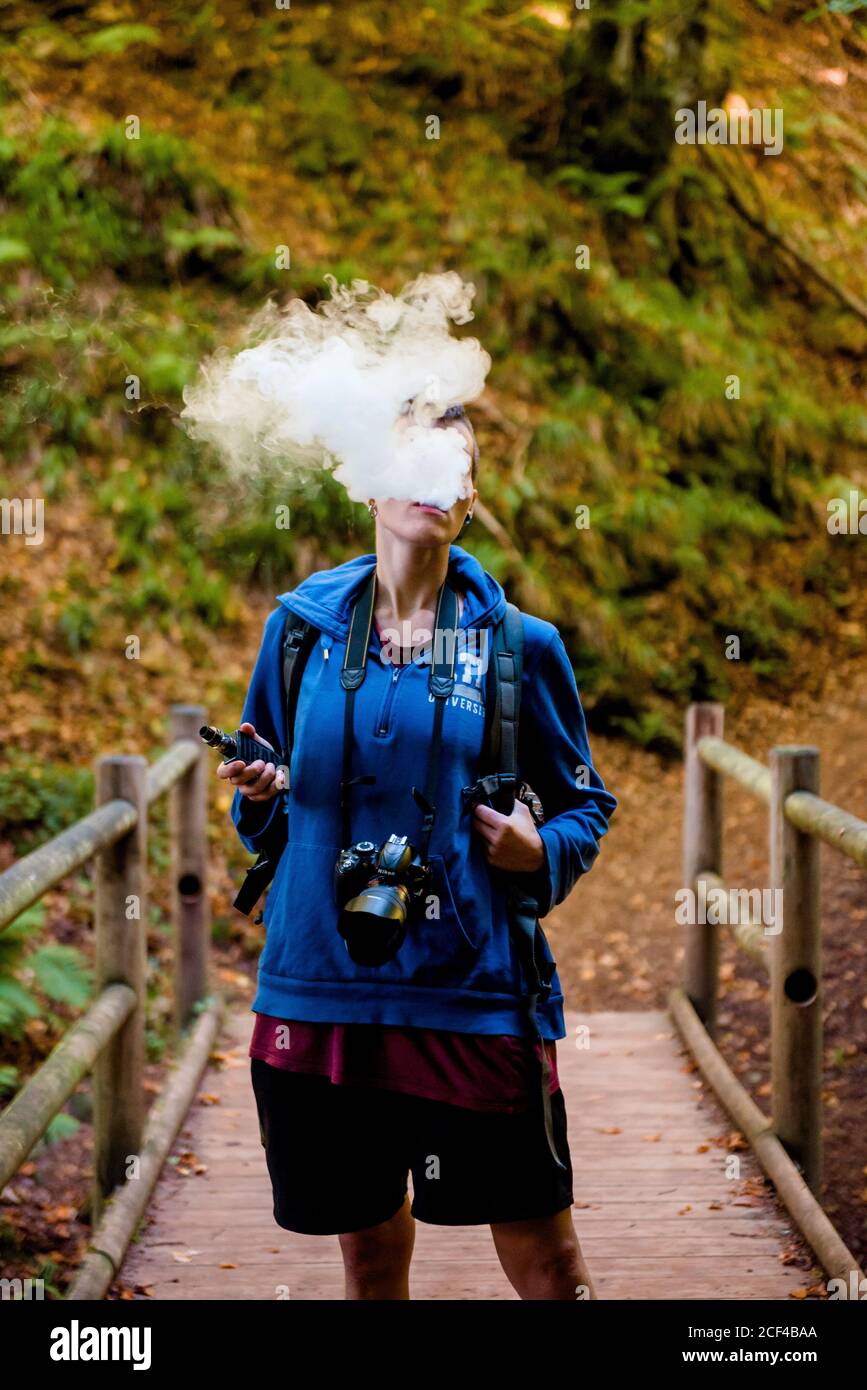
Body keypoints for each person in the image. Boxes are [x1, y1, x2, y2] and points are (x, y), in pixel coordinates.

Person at [218, 406, 617, 1300]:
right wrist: (262, 793)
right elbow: (268, 820)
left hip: (472, 996)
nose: (430, 481)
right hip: (320, 988)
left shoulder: (520, 645)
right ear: (365, 478)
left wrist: (535, 850)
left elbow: (584, 805)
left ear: (469, 499)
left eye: (451, 466)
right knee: (366, 1261)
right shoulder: (300, 636)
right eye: (407, 459)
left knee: (547, 1262)